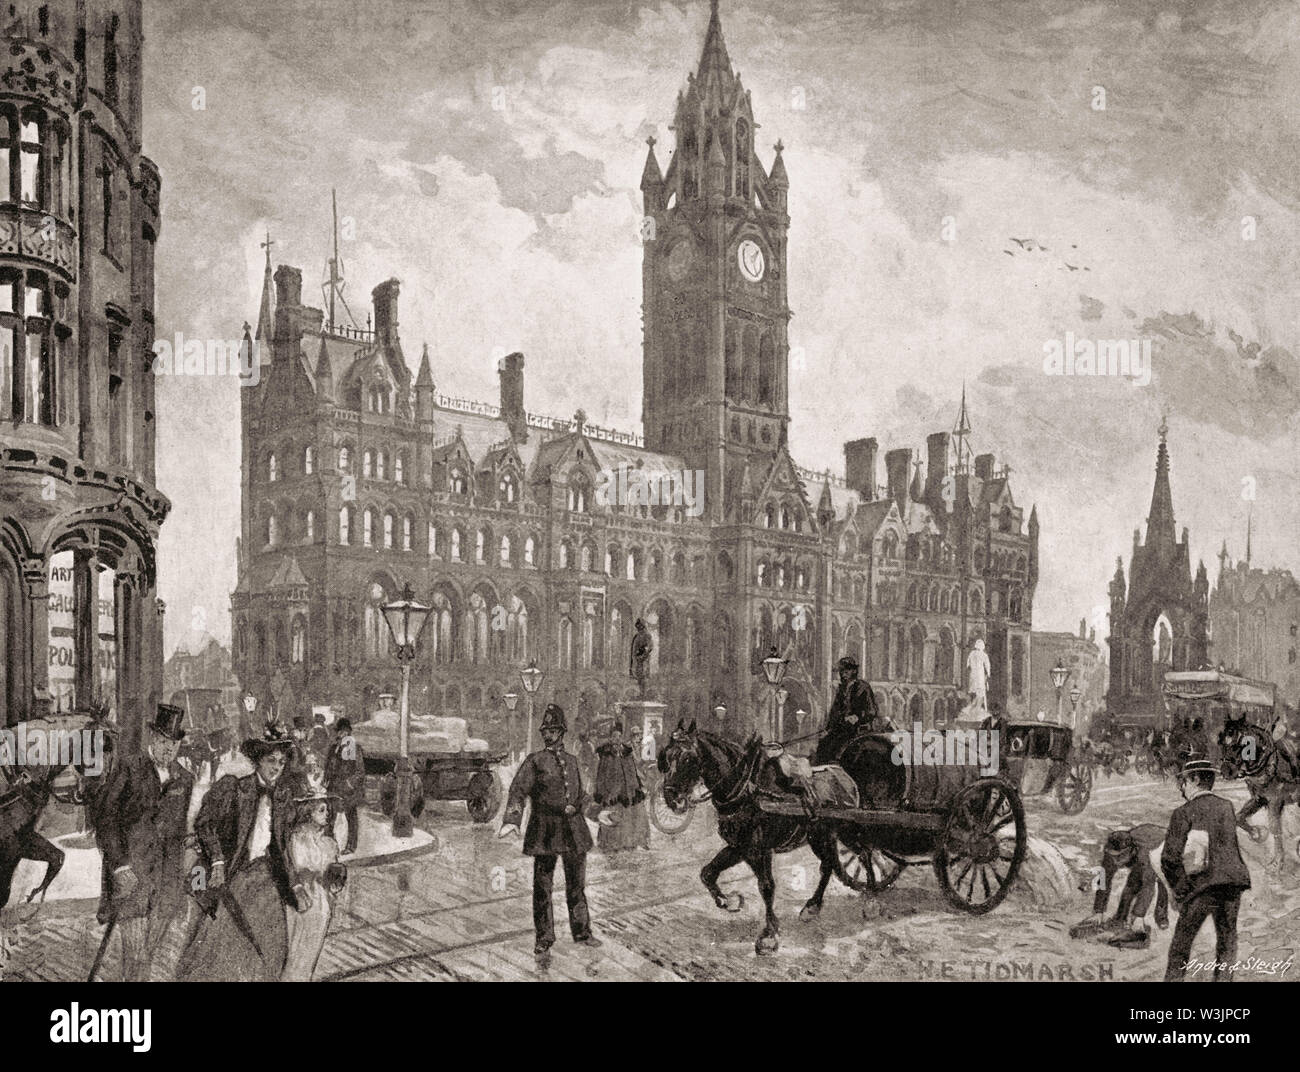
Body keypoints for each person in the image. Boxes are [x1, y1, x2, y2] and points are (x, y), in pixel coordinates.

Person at [175, 728, 307, 982]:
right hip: (234, 874)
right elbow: (204, 823)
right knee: (221, 943)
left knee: (272, 946)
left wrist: (295, 883)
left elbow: (282, 846)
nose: (276, 767)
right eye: (271, 761)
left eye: (281, 762)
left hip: (266, 878)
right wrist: (217, 860)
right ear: (258, 761)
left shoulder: (282, 797)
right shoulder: (234, 788)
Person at [498, 704, 602, 970]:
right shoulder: (535, 760)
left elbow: (582, 797)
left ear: (562, 732)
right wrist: (512, 820)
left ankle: (582, 931)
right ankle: (544, 938)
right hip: (545, 829)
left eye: (553, 730)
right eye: (545, 730)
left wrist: (597, 814)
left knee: (576, 885)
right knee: (542, 888)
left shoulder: (572, 761)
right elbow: (518, 790)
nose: (548, 734)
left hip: (574, 830)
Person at [95, 704, 194, 982]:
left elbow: (178, 835)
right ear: (153, 739)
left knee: (148, 957)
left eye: (173, 744)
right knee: (135, 957)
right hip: (132, 879)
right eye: (163, 742)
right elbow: (106, 820)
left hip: (165, 886)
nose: (167, 749)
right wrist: (119, 867)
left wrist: (180, 883)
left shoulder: (184, 780)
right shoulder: (129, 768)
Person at [1160, 756, 1252, 982]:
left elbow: (1170, 859)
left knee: (1181, 944)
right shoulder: (1226, 807)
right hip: (1232, 884)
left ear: (1195, 779)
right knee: (1227, 941)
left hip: (1201, 887)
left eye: (1184, 781)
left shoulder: (1182, 813)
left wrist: (1180, 890)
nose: (1182, 787)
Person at [282, 773, 347, 981]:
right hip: (303, 899)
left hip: (322, 901)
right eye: (321, 810)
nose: (327, 814)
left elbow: (333, 873)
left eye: (327, 809)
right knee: (298, 948)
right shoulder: (298, 838)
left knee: (313, 948)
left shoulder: (328, 842)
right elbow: (300, 868)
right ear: (308, 812)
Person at [593, 721, 651, 854]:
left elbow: (632, 771)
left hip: (626, 790)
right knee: (611, 817)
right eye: (614, 736)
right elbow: (601, 774)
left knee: (629, 817)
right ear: (610, 738)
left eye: (619, 736)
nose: (616, 740)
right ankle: (609, 844)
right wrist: (602, 792)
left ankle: (629, 843)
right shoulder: (605, 754)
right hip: (611, 792)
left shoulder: (626, 752)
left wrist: (636, 788)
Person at [813, 655, 882, 765]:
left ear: (854, 671)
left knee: (842, 751)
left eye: (846, 671)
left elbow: (872, 711)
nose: (843, 674)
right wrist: (827, 729)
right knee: (824, 744)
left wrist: (858, 717)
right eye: (841, 671)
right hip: (842, 729)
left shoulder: (863, 687)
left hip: (859, 730)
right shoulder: (841, 690)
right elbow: (834, 713)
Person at [324, 718, 365, 855]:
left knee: (351, 817)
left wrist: (349, 784)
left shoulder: (354, 748)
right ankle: (329, 843)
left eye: (344, 732)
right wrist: (326, 780)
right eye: (340, 732)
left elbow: (360, 772)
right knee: (330, 816)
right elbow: (328, 767)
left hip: (348, 790)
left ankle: (351, 846)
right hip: (334, 787)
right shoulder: (333, 748)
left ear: (348, 732)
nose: (341, 734)